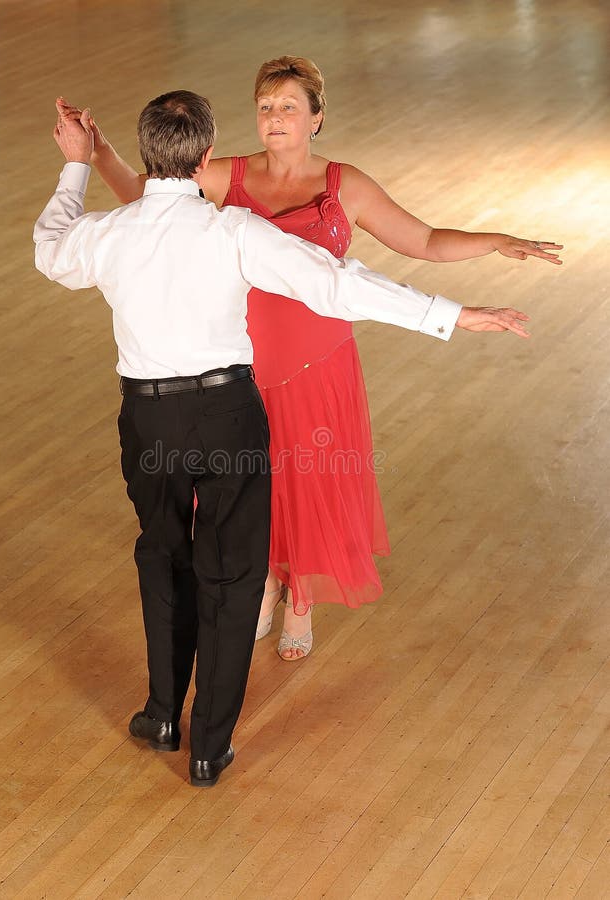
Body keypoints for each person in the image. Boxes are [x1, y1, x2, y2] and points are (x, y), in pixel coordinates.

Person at [36, 90, 529, 788]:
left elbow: (50, 250)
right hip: (228, 415)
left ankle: (160, 714)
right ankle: (208, 745)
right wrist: (451, 316)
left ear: (151, 158)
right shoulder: (234, 231)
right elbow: (337, 286)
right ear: (208, 156)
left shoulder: (107, 234)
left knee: (162, 557)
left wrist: (77, 167)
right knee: (234, 575)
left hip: (146, 421)